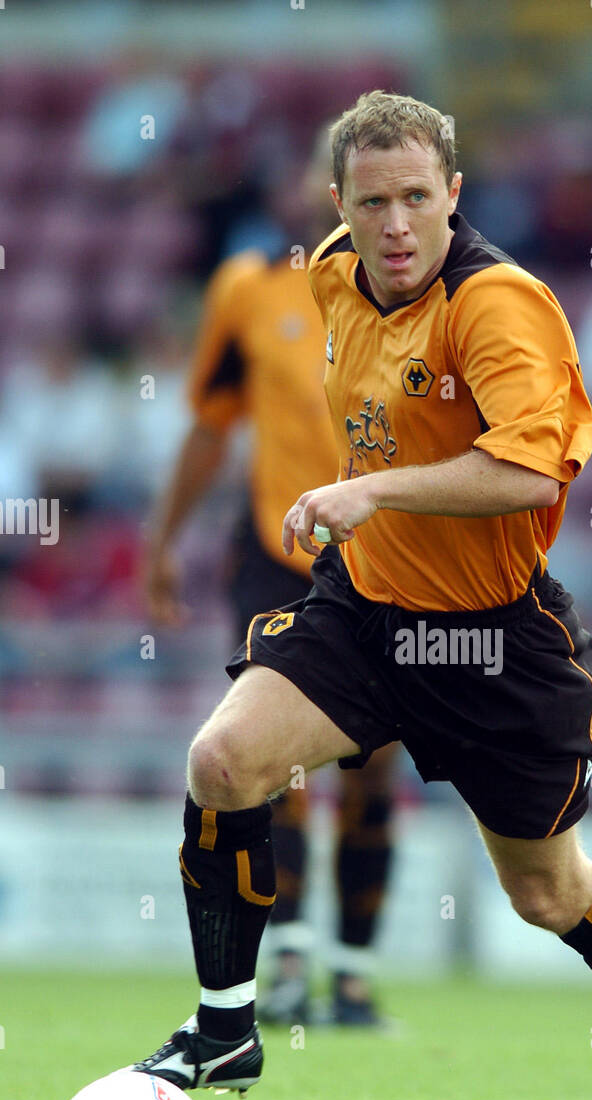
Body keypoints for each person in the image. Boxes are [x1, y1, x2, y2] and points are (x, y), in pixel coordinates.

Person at [133, 92, 592, 1100]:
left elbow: (523, 472)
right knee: (224, 760)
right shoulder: (326, 272)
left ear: (453, 194)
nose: (396, 225)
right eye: (372, 202)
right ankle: (228, 1024)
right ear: (340, 205)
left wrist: (375, 491)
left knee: (546, 891)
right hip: (364, 612)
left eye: (418, 197)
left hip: (493, 645)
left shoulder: (500, 303)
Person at [143, 131, 397, 1026]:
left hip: (383, 556)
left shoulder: (410, 295)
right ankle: (286, 965)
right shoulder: (246, 291)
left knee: (371, 763)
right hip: (271, 551)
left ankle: (355, 973)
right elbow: (212, 426)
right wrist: (163, 539)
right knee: (266, 756)